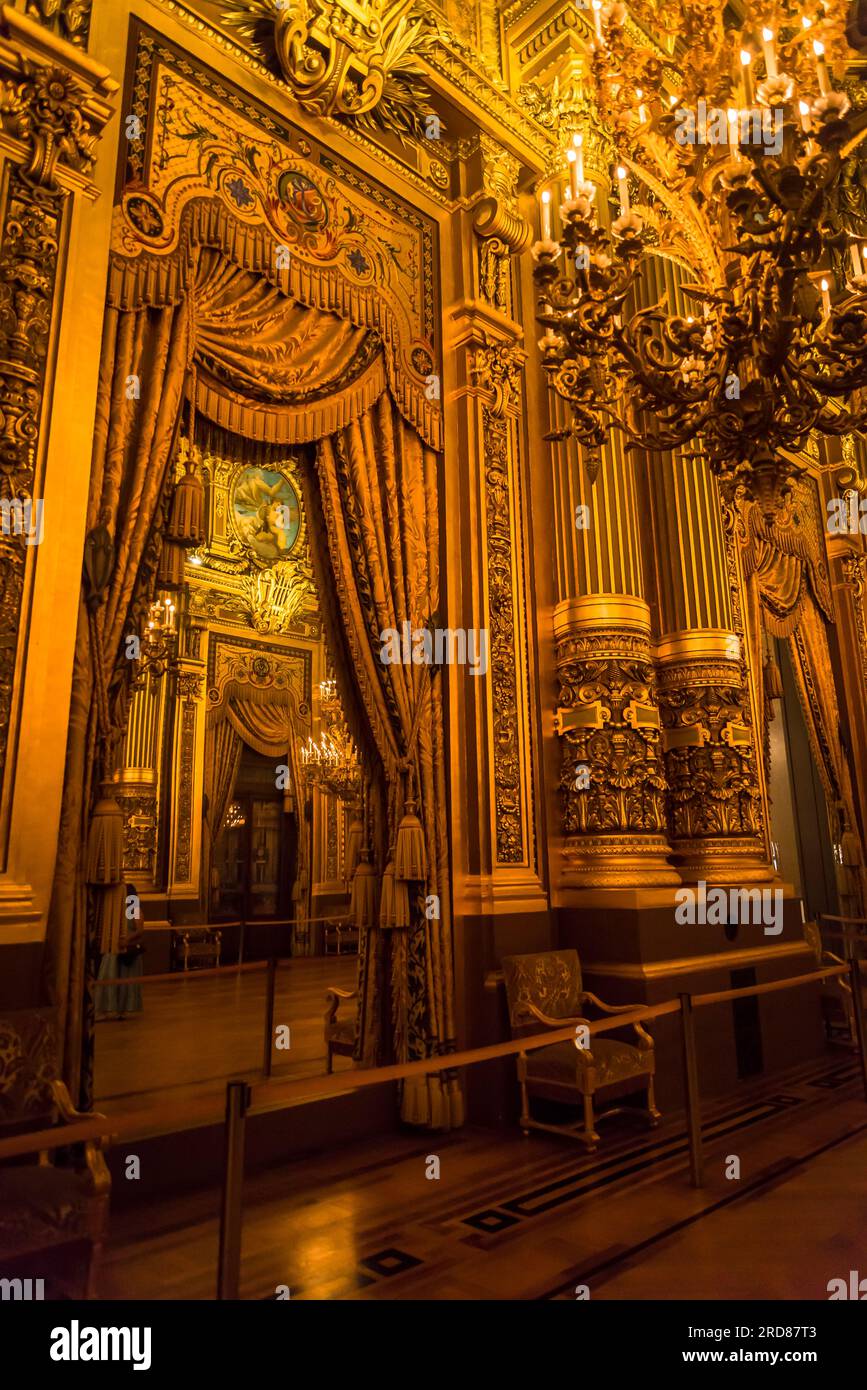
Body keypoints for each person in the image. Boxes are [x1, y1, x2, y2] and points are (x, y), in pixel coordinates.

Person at [95, 882, 145, 1021]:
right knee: (109, 976)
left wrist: (126, 939)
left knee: (122, 981)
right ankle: (108, 1009)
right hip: (114, 948)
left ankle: (119, 1009)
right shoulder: (118, 908)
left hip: (125, 948)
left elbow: (139, 930)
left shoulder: (133, 908)